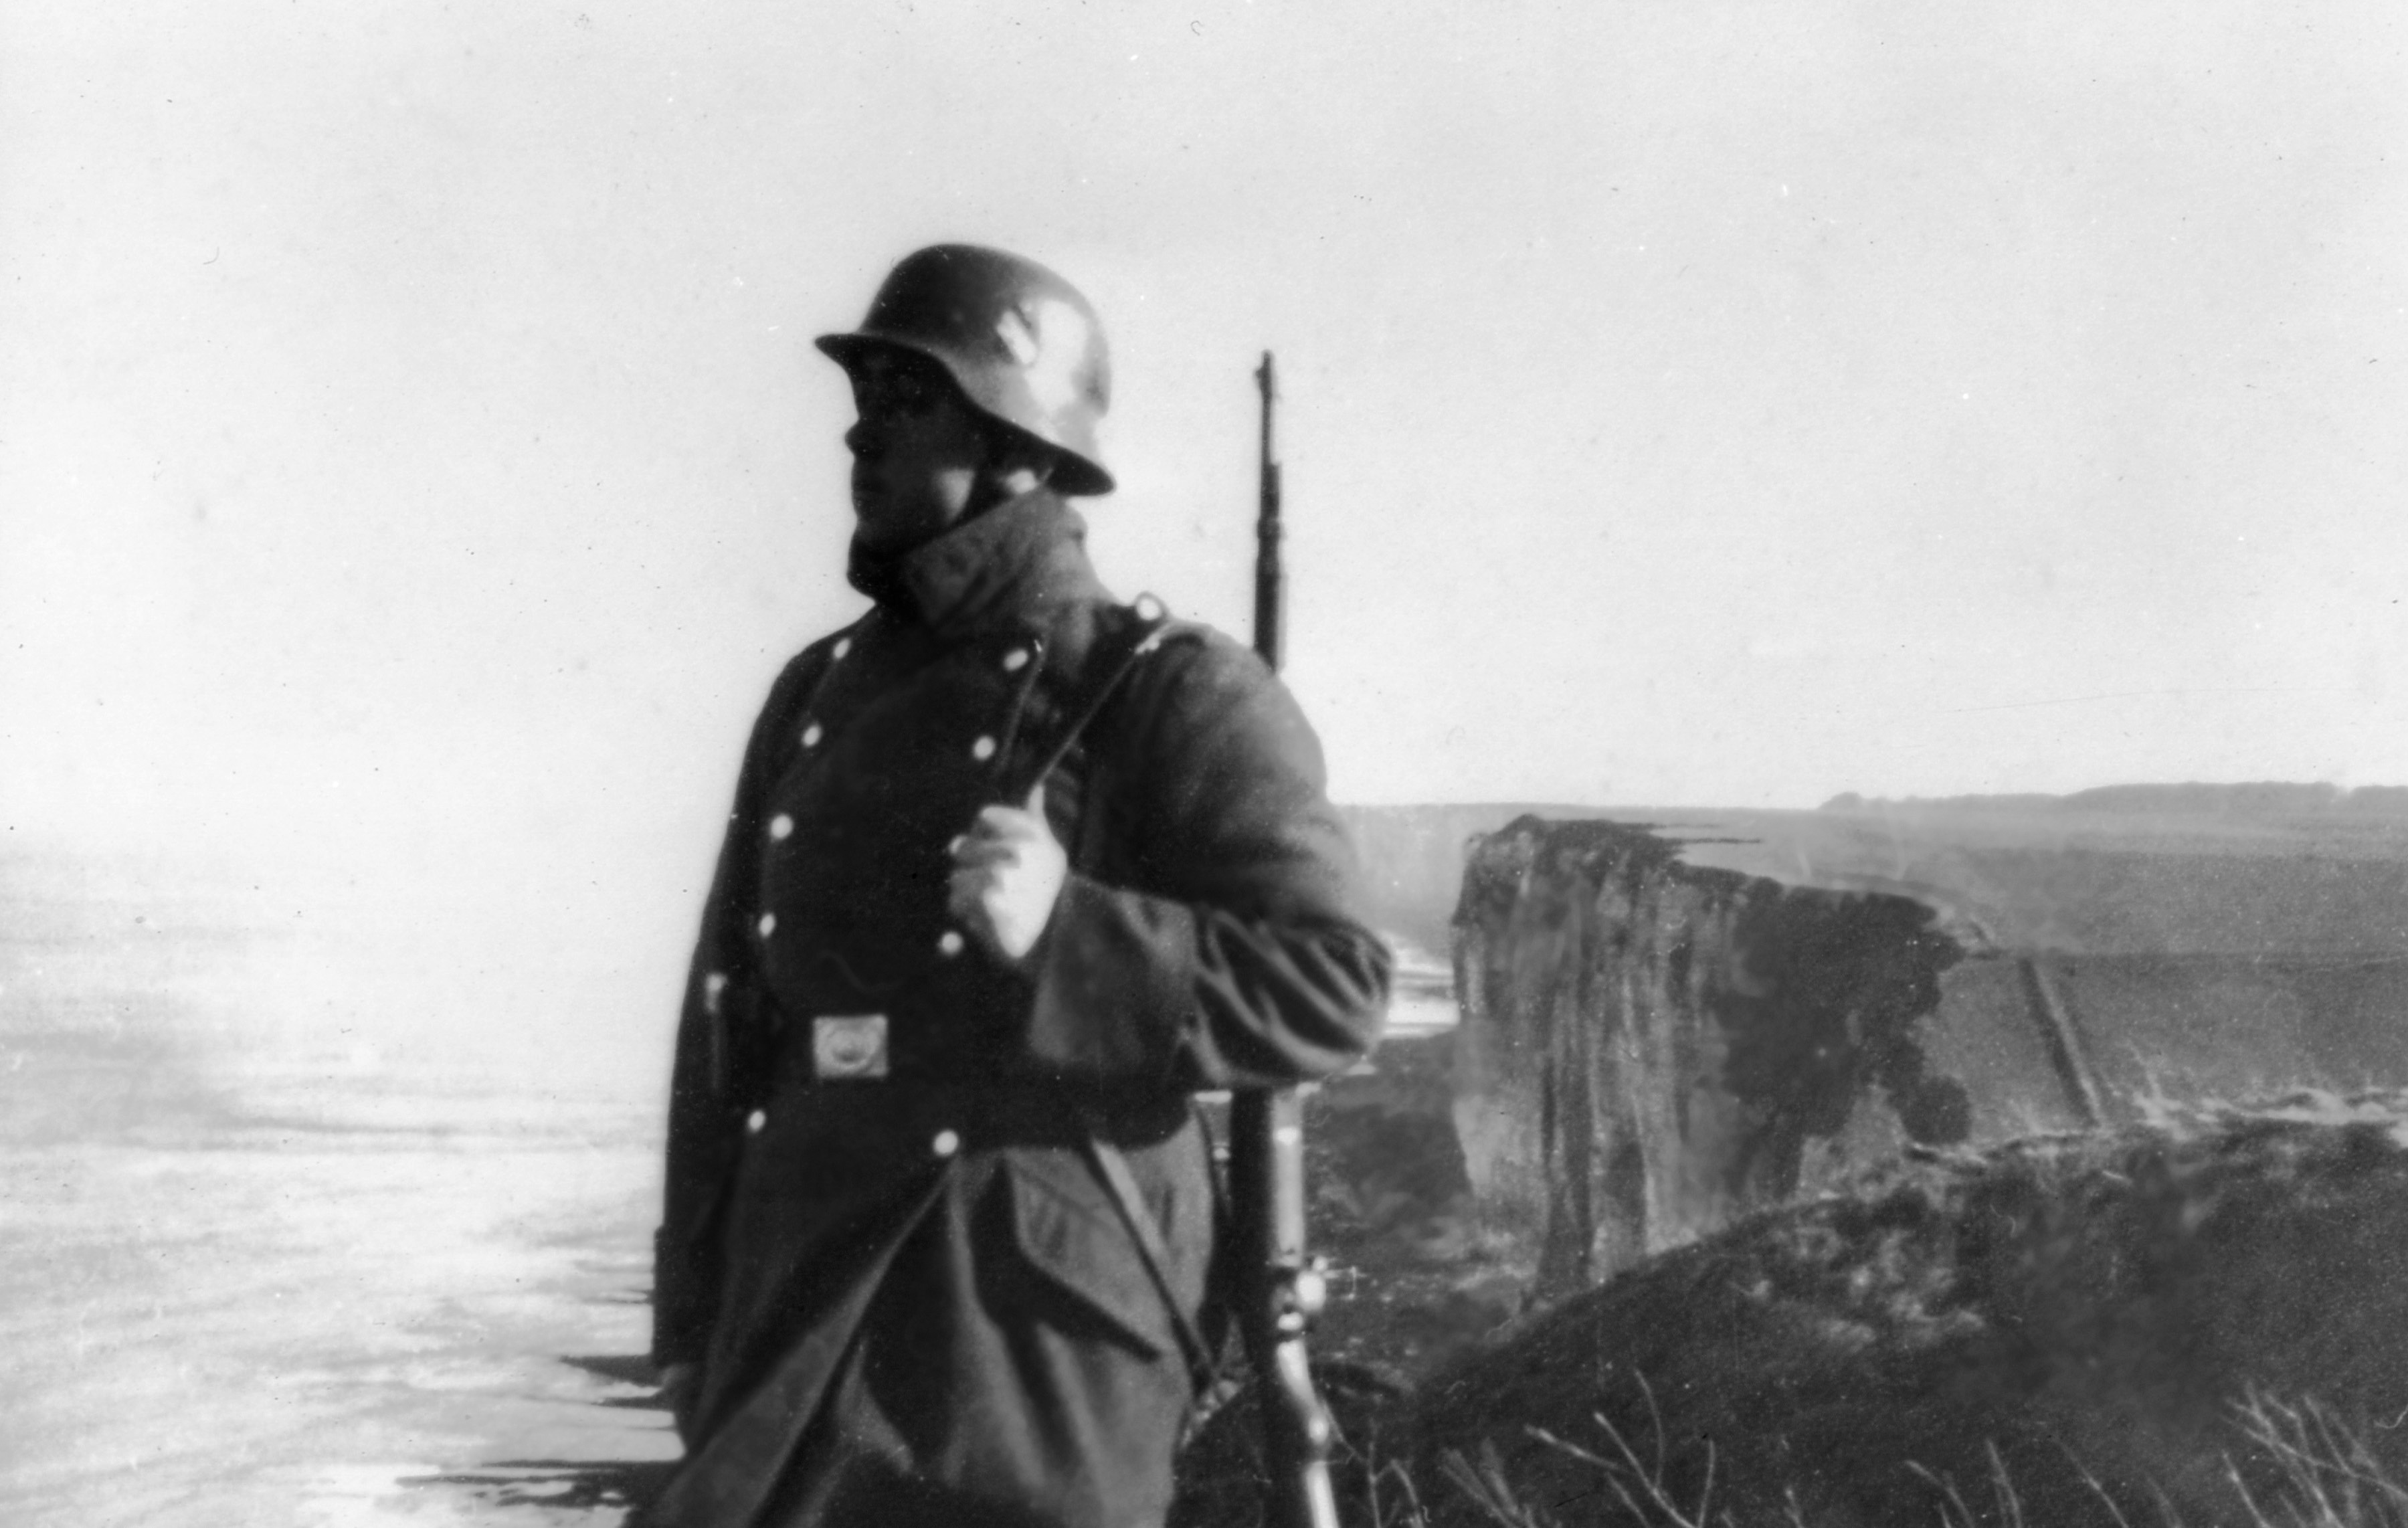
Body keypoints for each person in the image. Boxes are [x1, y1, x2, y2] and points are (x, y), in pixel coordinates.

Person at [640, 244, 1391, 1528]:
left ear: (1017, 447)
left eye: (909, 399)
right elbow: (731, 1024)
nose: (862, 433)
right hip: (799, 1291)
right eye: (864, 396)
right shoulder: (813, 692)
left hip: (1021, 1346)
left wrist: (1067, 933)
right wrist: (695, 1307)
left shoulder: (1165, 688)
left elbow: (1333, 986)